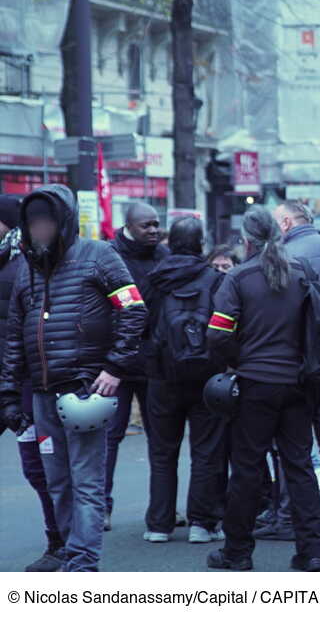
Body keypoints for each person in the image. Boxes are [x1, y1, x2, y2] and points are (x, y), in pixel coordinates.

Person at [0, 184, 147, 571]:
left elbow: (133, 310)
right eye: (33, 223)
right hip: (44, 396)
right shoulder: (29, 269)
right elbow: (15, 334)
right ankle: (69, 551)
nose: (40, 229)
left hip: (85, 392)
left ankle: (82, 563)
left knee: (86, 483)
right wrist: (10, 395)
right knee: (57, 482)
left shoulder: (99, 255)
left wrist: (114, 368)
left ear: (62, 220)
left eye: (46, 220)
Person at [205, 206, 320, 572]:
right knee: (300, 467)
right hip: (297, 384)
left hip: (255, 385)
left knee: (247, 469)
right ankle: (311, 552)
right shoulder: (301, 273)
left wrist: (240, 360)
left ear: (246, 239)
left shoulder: (239, 278)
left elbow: (217, 334)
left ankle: (237, 553)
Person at [140, 216, 229, 544]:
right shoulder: (215, 279)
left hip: (162, 376)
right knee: (206, 450)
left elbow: (140, 323)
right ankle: (202, 523)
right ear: (201, 245)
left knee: (162, 452)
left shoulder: (154, 279)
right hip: (206, 376)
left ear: (169, 242)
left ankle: (159, 524)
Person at [267, 199, 320, 539]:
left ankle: (288, 515)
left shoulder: (285, 256)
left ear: (284, 223)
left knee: (293, 445)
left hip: (295, 361)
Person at [0, 193, 64, 571]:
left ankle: (59, 541)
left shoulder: (28, 267)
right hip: (14, 382)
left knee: (40, 468)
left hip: (25, 384)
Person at [104, 201, 167, 531]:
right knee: (109, 436)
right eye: (148, 225)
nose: (154, 230)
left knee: (160, 439)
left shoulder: (164, 257)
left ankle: (162, 510)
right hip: (116, 363)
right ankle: (102, 507)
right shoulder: (108, 256)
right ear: (129, 226)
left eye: (157, 224)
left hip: (154, 363)